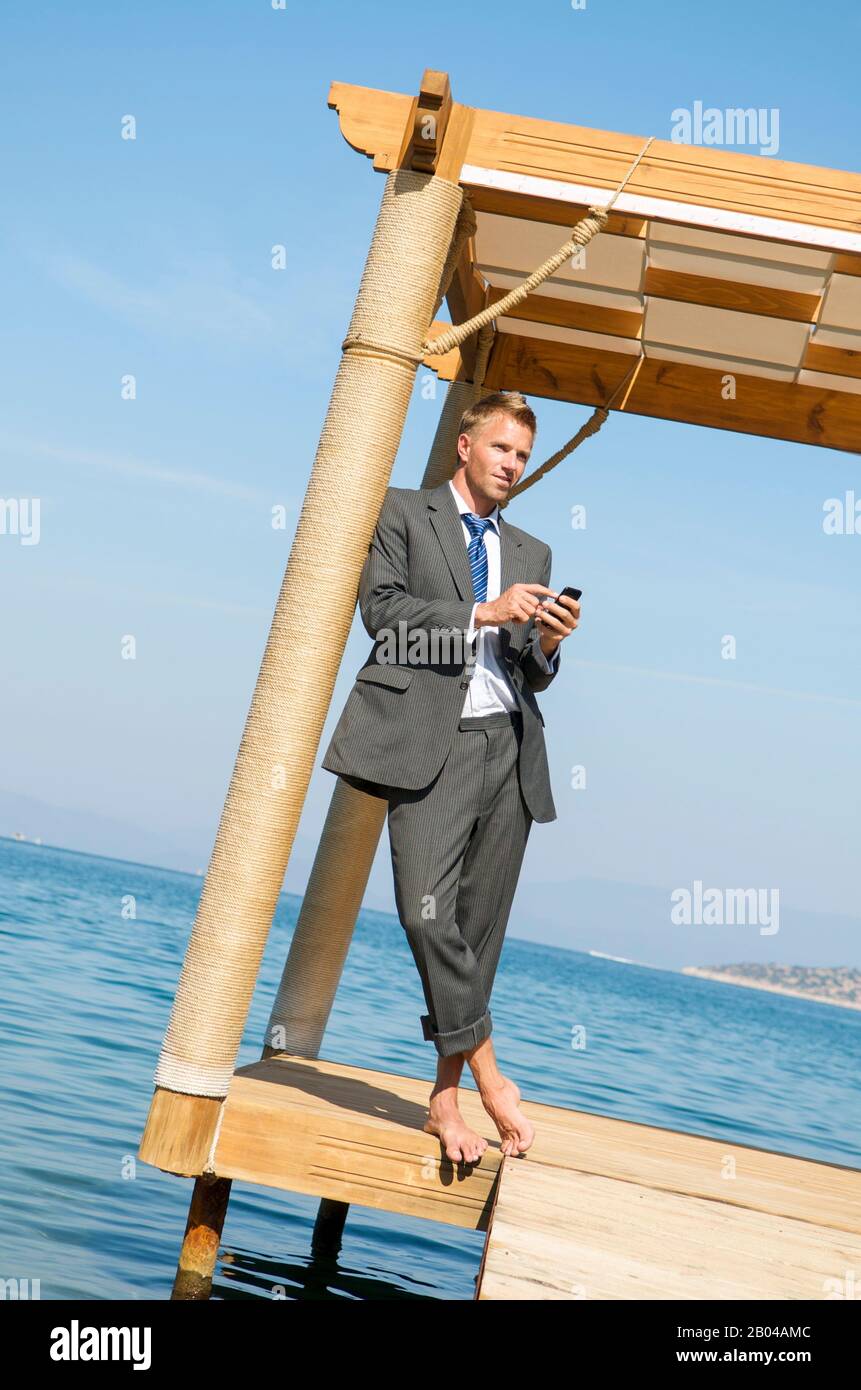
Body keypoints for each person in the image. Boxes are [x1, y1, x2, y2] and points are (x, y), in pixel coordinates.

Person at [321, 390, 580, 1161]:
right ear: (465, 445)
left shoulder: (533, 552)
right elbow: (386, 617)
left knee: (476, 935)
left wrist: (550, 643)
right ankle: (493, 1076)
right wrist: (482, 612)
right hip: (430, 738)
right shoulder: (402, 512)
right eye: (502, 450)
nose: (512, 466)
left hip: (511, 744)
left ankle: (445, 1102)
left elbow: (530, 672)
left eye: (523, 457)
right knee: (425, 915)